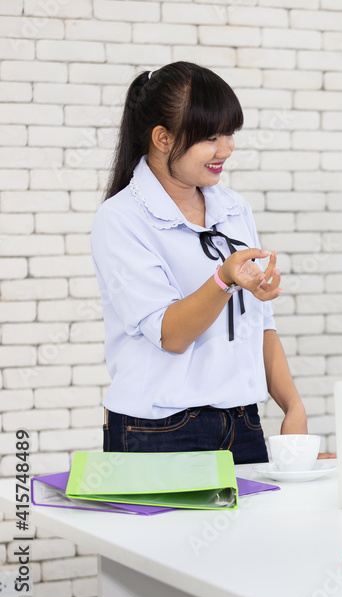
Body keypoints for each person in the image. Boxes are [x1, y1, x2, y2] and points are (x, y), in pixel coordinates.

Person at [91, 62, 307, 465]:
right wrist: (224, 279)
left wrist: (293, 406)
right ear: (162, 138)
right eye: (211, 137)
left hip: (243, 423)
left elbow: (261, 322)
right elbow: (170, 334)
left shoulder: (234, 209)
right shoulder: (120, 219)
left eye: (229, 133)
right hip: (159, 429)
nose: (226, 149)